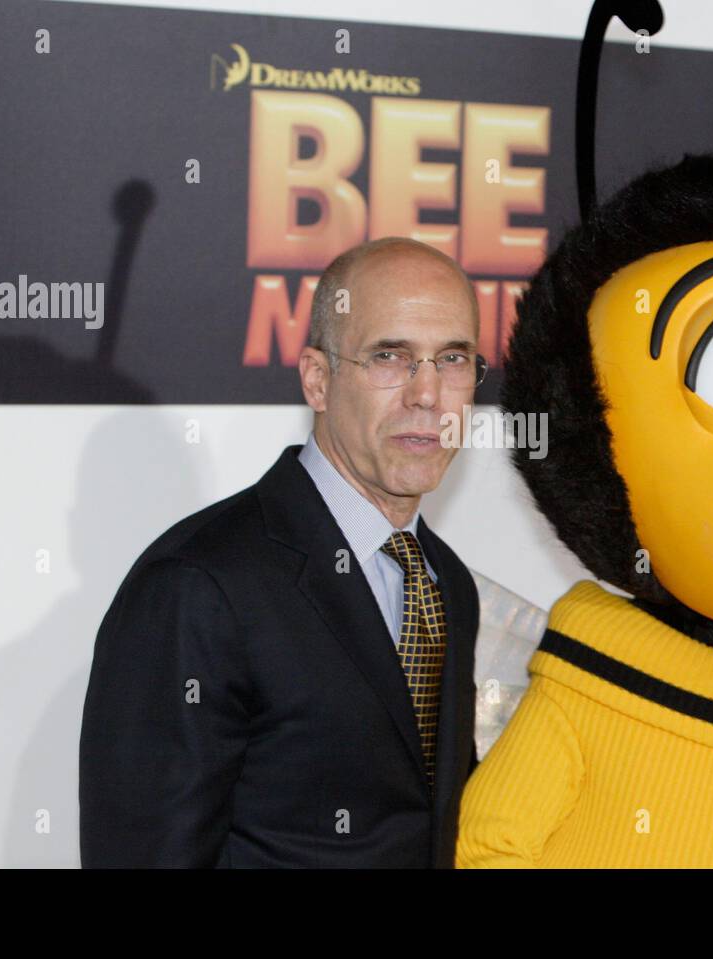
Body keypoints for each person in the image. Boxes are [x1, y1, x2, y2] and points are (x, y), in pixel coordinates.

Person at [80, 236, 483, 867]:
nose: (427, 394)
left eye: (453, 359)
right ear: (318, 381)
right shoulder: (198, 585)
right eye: (390, 357)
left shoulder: (446, 583)